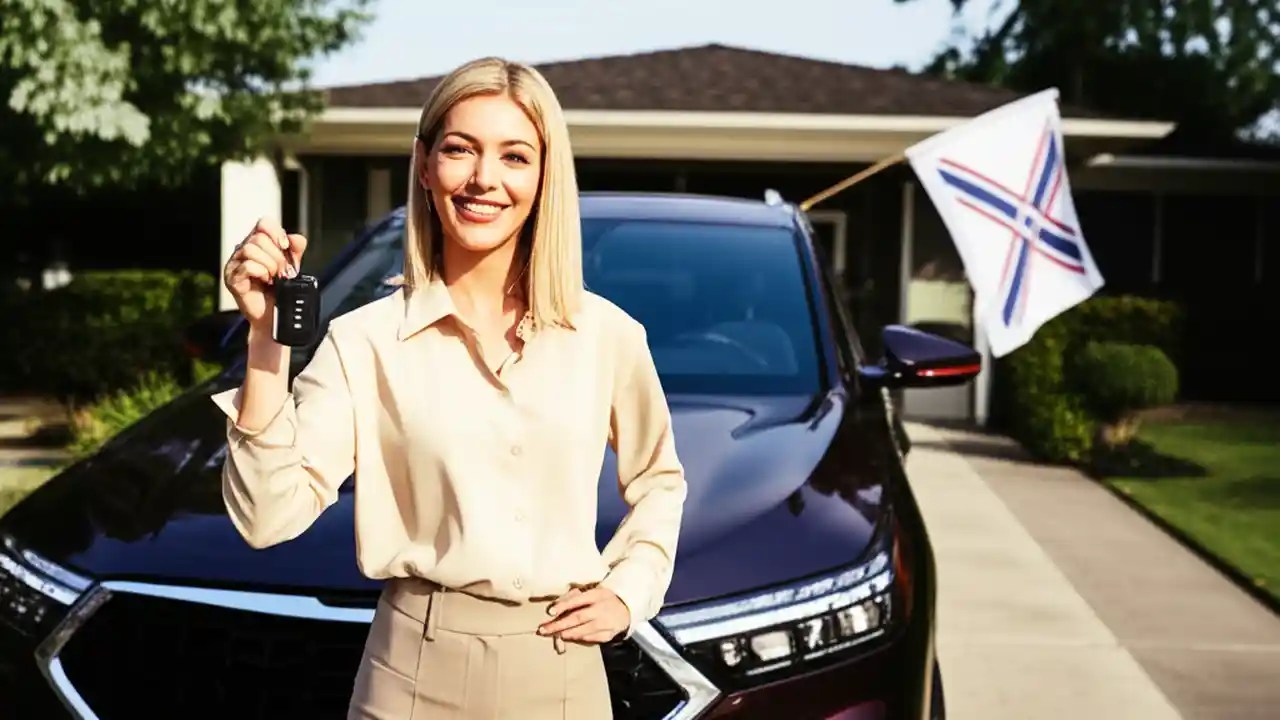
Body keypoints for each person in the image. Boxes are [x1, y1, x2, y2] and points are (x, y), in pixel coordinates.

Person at [211, 56, 689, 719]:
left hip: (560, 675)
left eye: (515, 156)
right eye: (461, 149)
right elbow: (266, 517)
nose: (484, 179)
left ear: (545, 175)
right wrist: (267, 341)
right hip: (409, 674)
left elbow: (661, 481)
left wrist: (631, 589)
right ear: (424, 165)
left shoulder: (607, 336)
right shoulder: (364, 341)